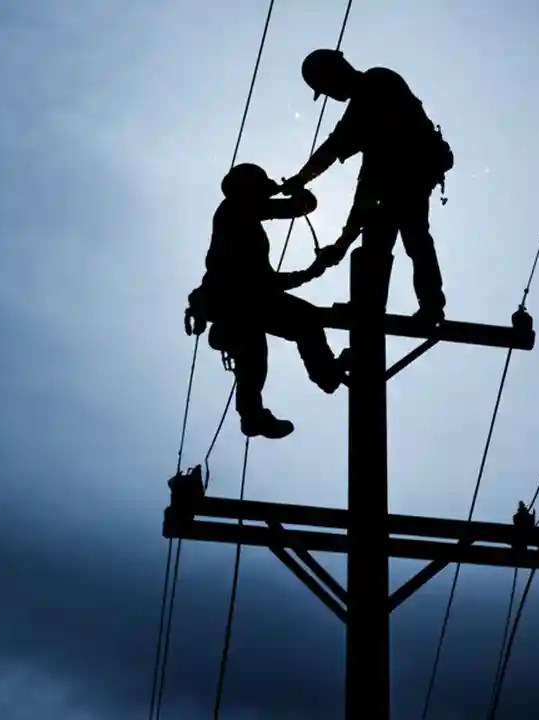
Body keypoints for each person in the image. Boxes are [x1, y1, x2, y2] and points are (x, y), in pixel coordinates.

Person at [280, 49, 455, 325]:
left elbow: (342, 153)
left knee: (410, 238)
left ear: (334, 74)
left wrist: (302, 179)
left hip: (411, 175)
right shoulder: (367, 109)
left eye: (324, 87)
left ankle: (427, 307)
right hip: (402, 180)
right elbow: (364, 181)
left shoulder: (376, 85)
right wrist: (341, 244)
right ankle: (371, 308)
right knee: (380, 243)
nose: (328, 93)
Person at [186, 163, 347, 440]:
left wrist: (310, 271)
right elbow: (298, 208)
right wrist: (310, 272)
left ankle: (325, 376)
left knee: (296, 324)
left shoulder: (242, 213)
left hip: (247, 298)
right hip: (236, 300)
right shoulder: (235, 210)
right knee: (260, 345)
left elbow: (302, 206)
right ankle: (255, 412)